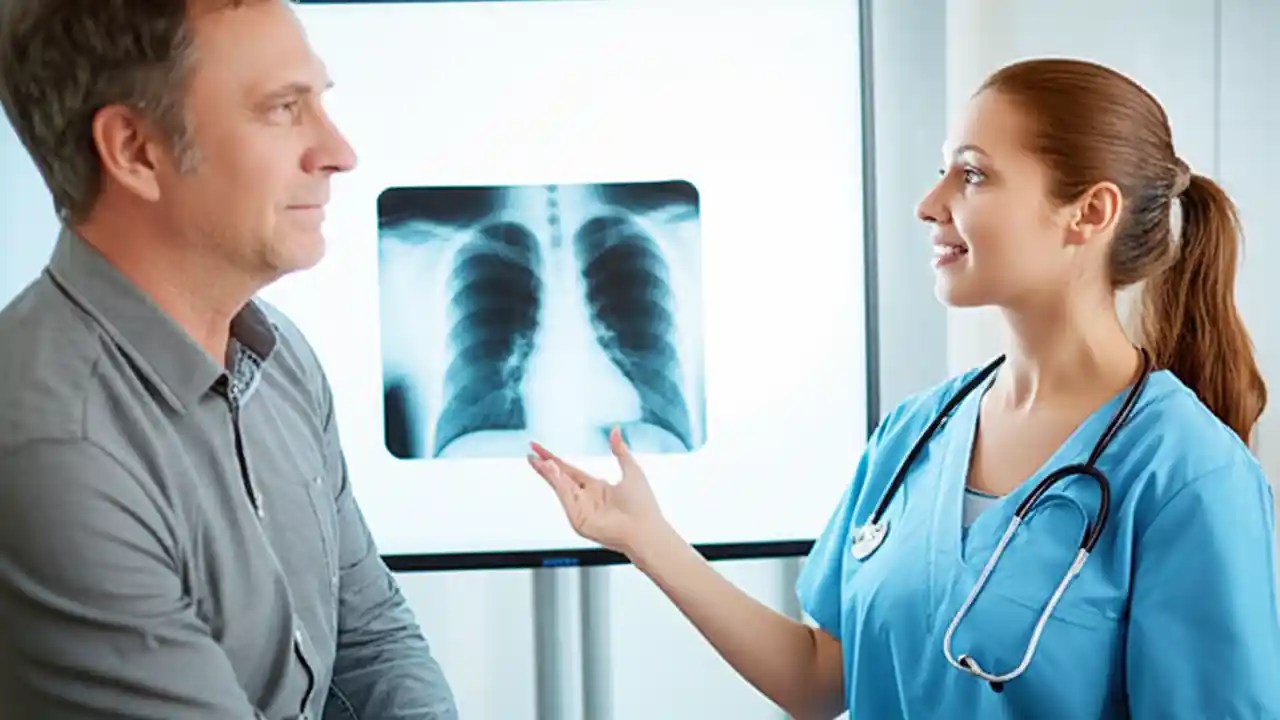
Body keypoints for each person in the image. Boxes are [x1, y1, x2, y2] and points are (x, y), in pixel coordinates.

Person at [527, 57, 1280, 719]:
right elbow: (819, 680)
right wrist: (646, 538)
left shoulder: (1186, 474)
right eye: (945, 169)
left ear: (1090, 212)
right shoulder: (917, 432)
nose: (930, 202)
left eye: (974, 174)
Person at [0, 1, 457, 718]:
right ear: (135, 150)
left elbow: (372, 644)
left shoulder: (280, 360)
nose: (338, 152)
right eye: (283, 108)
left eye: (320, 102)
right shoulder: (55, 448)